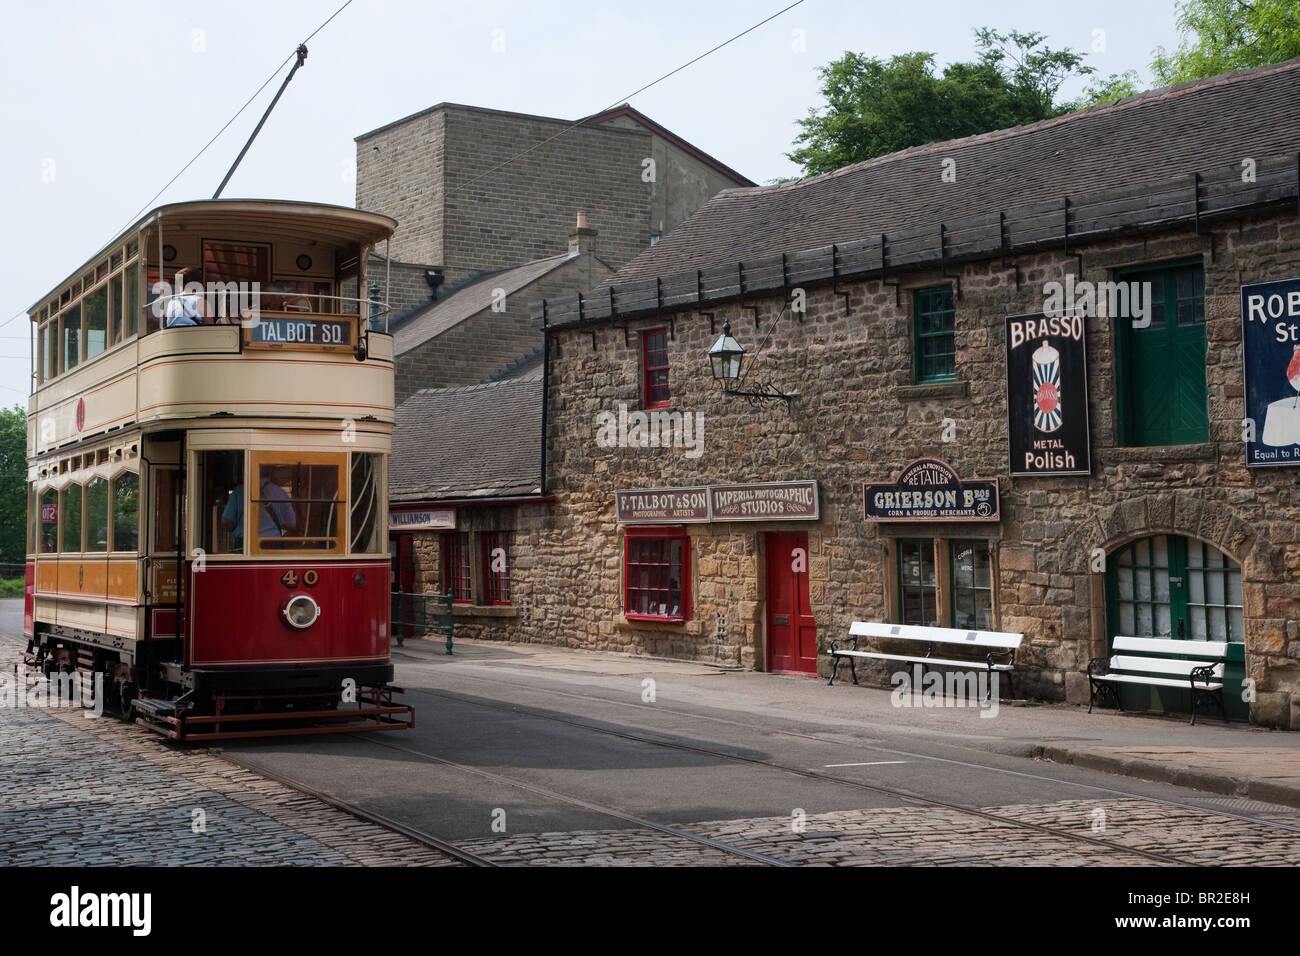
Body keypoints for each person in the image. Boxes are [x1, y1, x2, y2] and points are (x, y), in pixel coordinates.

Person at [221, 471, 297, 550]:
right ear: (270, 472)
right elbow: (292, 524)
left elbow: (226, 521)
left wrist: (237, 527)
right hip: (274, 545)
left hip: (245, 544)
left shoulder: (239, 491)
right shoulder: (280, 492)